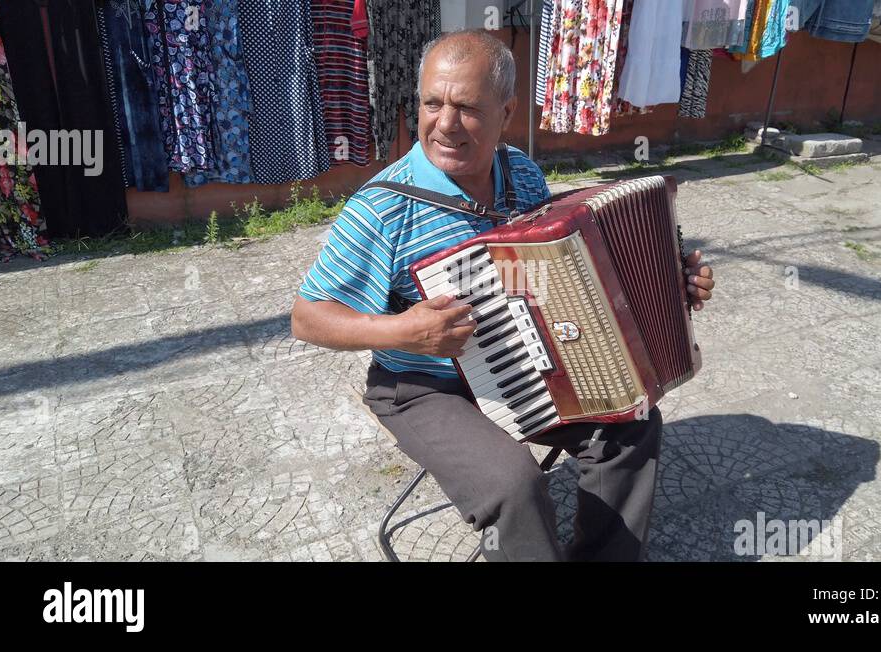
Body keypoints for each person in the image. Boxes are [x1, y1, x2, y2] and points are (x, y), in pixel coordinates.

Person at [291, 30, 715, 561]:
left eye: (467, 107)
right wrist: (403, 331)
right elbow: (307, 318)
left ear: (507, 113)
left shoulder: (522, 175)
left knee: (632, 424)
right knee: (513, 482)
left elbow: (567, 279)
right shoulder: (379, 210)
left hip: (526, 363)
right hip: (423, 386)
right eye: (432, 103)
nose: (444, 124)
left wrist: (666, 287)